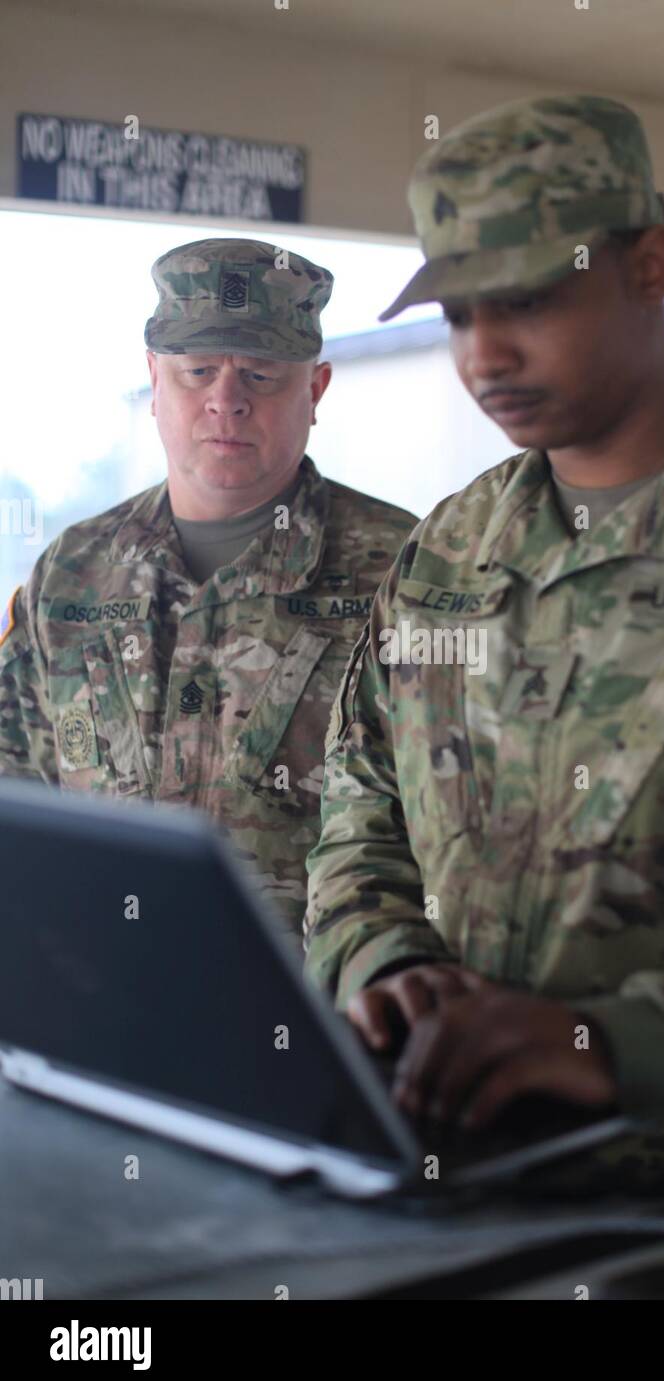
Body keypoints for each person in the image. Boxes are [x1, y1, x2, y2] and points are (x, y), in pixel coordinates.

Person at [303, 95, 664, 1258]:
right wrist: (389, 970)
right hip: (453, 1210)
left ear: (649, 266)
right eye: (458, 311)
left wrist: (602, 1042)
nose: (480, 354)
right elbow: (359, 808)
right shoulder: (447, 548)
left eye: (523, 301)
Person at [0, 237, 416, 941]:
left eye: (260, 375)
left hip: (312, 1023)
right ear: (154, 379)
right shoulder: (71, 575)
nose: (226, 402)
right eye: (197, 371)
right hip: (105, 1006)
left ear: (314, 390)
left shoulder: (405, 572)